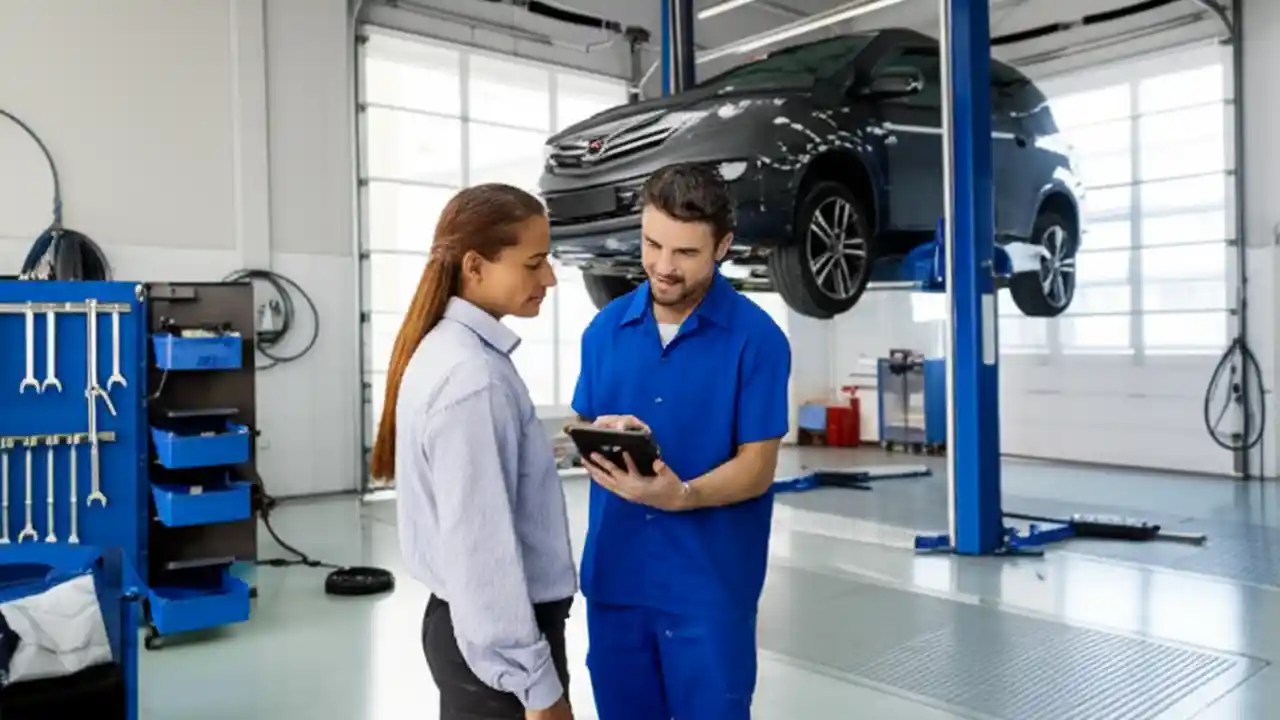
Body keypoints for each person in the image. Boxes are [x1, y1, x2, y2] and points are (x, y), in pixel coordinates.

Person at [571, 163, 793, 720]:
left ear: (723, 246)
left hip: (708, 593)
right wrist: (604, 434)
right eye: (652, 244)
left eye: (686, 253)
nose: (663, 268)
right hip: (617, 583)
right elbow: (579, 430)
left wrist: (683, 495)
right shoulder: (603, 332)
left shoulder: (757, 341)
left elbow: (757, 467)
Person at [369, 184, 577, 720]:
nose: (549, 278)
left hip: (468, 633)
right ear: (475, 267)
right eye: (534, 264)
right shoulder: (472, 378)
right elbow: (481, 551)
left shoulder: (447, 351)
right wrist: (537, 687)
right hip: (501, 650)